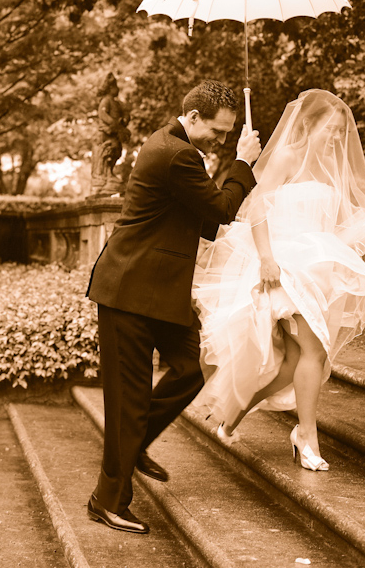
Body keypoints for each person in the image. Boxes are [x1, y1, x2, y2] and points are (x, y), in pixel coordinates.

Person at [86, 80, 261, 534]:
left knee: (189, 369)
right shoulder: (176, 154)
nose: (220, 140)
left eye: (228, 136)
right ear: (194, 117)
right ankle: (107, 500)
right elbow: (221, 210)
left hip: (157, 292)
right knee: (128, 403)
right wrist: (243, 162)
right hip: (128, 292)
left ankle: (136, 442)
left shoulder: (184, 152)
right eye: (217, 132)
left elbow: (202, 220)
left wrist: (227, 171)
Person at [193, 89, 365, 471]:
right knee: (314, 351)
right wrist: (266, 259)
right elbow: (254, 206)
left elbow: (333, 221)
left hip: (317, 270)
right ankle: (306, 436)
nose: (335, 137)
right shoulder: (287, 157)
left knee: (291, 362)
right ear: (309, 125)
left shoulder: (332, 167)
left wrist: (355, 231)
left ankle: (232, 416)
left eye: (340, 130)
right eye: (331, 129)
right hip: (283, 267)